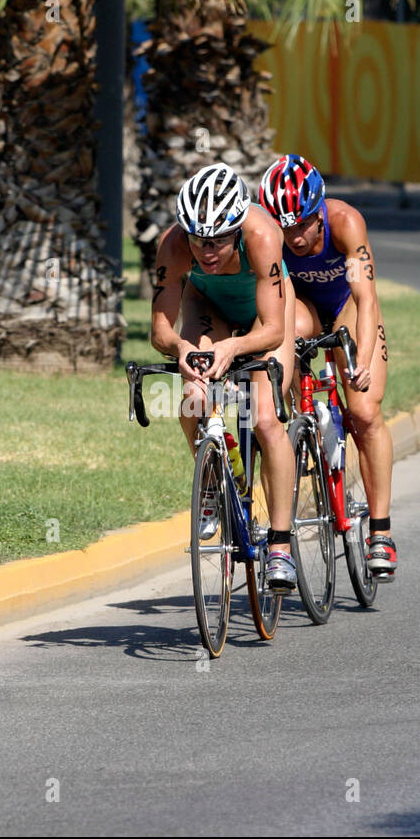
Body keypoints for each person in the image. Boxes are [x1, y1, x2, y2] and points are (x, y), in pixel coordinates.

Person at [149, 163, 298, 591]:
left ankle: (282, 546)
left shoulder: (263, 235)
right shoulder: (174, 245)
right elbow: (160, 328)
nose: (206, 250)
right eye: (198, 239)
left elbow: (272, 329)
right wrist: (183, 350)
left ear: (237, 230)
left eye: (217, 240)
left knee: (266, 417)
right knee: (191, 399)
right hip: (208, 304)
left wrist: (230, 348)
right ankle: (215, 480)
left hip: (264, 313)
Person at [258, 153, 396, 580]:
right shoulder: (270, 235)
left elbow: (367, 297)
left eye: (302, 224)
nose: (294, 237)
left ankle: (381, 532)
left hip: (345, 306)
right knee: (292, 330)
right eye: (286, 226)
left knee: (363, 411)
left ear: (319, 212)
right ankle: (300, 431)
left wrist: (365, 360)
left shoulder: (345, 223)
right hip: (304, 309)